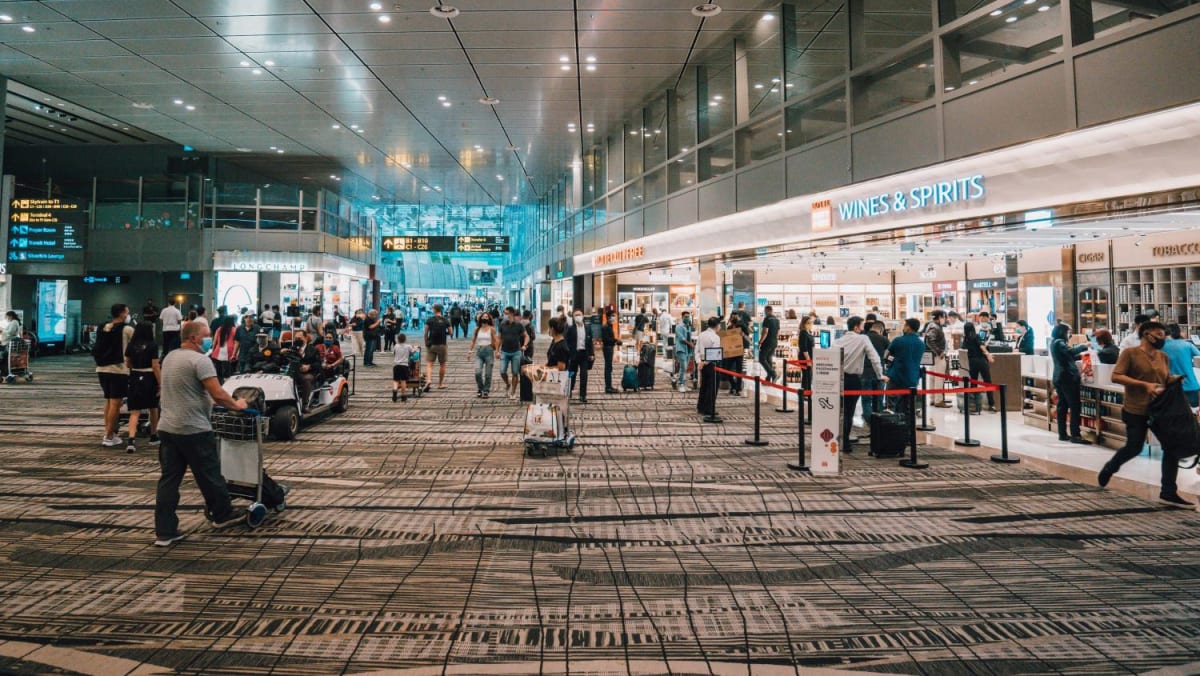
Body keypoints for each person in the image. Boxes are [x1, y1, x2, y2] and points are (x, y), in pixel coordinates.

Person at [154, 321, 287, 546]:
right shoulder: (200, 360)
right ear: (195, 338)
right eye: (207, 336)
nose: (210, 341)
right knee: (210, 474)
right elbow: (218, 395)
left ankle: (164, 531)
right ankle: (223, 513)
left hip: (167, 427)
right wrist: (239, 405)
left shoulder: (170, 357)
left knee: (169, 481)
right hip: (193, 429)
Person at [1100, 321, 1192, 507]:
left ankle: (1168, 491)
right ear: (1146, 334)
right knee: (1134, 446)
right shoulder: (1130, 354)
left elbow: (1164, 378)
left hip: (1160, 410)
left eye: (1163, 334)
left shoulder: (1162, 356)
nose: (1162, 337)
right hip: (1136, 409)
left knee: (1171, 448)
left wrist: (1174, 380)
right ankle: (1111, 467)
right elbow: (1116, 376)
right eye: (1159, 333)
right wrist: (1144, 385)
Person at [834, 317, 886, 452]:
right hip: (853, 380)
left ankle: (836, 439)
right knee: (849, 411)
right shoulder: (863, 339)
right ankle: (845, 441)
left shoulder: (838, 341)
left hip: (837, 379)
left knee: (839, 410)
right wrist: (880, 375)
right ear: (857, 327)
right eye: (862, 326)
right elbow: (875, 358)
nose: (863, 329)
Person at [96, 304, 135, 448]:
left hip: (101, 368)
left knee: (108, 400)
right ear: (122, 314)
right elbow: (137, 345)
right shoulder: (127, 329)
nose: (128, 315)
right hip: (118, 370)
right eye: (127, 312)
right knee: (116, 403)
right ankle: (109, 435)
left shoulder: (103, 327)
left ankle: (109, 432)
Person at [124, 321, 161, 454]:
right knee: (153, 408)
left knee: (135, 411)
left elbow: (127, 363)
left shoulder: (131, 345)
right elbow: (156, 366)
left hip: (134, 376)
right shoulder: (153, 345)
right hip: (149, 377)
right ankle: (153, 435)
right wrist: (161, 384)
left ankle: (131, 440)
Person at [1049, 323, 1090, 444]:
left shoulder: (1054, 343)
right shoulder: (1059, 342)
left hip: (1059, 377)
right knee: (1074, 406)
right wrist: (1084, 346)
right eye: (1068, 332)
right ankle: (1075, 435)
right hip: (1067, 377)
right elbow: (1070, 352)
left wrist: (1082, 356)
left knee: (1062, 406)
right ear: (1063, 332)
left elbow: (1069, 356)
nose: (1069, 334)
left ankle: (1062, 433)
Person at [885, 318, 925, 416]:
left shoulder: (898, 340)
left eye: (904, 325)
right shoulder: (921, 344)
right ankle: (908, 428)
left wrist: (891, 361)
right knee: (908, 406)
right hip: (912, 378)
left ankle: (893, 427)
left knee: (891, 406)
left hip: (896, 377)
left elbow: (887, 356)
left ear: (908, 327)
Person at [961, 322, 997, 413]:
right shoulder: (976, 336)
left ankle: (974, 405)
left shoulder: (966, 339)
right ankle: (991, 405)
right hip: (981, 361)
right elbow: (981, 347)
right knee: (987, 382)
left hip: (972, 362)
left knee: (974, 382)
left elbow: (963, 347)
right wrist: (988, 355)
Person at [1162, 323, 1200, 407]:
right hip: (1191, 386)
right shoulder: (1187, 344)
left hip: (1170, 389)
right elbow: (1198, 357)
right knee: (1193, 416)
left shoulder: (1160, 347)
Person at [862, 320, 890, 426]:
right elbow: (889, 355)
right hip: (879, 373)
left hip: (864, 372)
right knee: (878, 399)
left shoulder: (863, 338)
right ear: (881, 330)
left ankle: (869, 422)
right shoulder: (884, 339)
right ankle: (877, 423)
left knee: (866, 400)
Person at [498, 307, 528, 399]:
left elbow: (526, 336)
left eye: (506, 313)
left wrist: (525, 345)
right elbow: (499, 338)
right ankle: (507, 383)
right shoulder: (502, 324)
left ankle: (513, 392)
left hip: (516, 352)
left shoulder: (519, 325)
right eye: (504, 313)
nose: (504, 315)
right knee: (502, 371)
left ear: (511, 314)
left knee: (515, 372)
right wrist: (496, 350)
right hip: (504, 351)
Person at [695, 317, 722, 417]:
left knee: (704, 386)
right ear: (717, 326)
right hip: (712, 364)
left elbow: (696, 350)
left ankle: (701, 407)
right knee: (712, 387)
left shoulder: (701, 335)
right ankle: (709, 409)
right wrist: (706, 362)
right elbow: (714, 354)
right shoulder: (715, 337)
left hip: (702, 364)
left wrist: (699, 362)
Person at [924, 309, 951, 408]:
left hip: (932, 356)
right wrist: (939, 352)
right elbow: (930, 341)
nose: (945, 319)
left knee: (933, 378)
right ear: (940, 317)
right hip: (937, 356)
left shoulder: (930, 325)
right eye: (944, 317)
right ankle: (938, 400)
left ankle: (933, 398)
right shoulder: (935, 327)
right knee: (939, 378)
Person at [566, 309, 594, 403]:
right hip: (574, 354)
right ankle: (568, 392)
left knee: (584, 376)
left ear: (582, 316)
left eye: (579, 315)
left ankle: (583, 395)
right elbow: (567, 342)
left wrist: (591, 354)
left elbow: (590, 342)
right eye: (576, 315)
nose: (578, 316)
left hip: (584, 354)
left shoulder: (587, 328)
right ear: (573, 318)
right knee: (572, 375)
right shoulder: (570, 329)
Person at [469, 313, 499, 398]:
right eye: (483, 316)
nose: (485, 318)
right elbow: (473, 340)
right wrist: (470, 351)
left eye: (486, 317)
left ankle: (486, 390)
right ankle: (480, 388)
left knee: (488, 374)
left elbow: (496, 340)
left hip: (489, 351)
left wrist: (497, 351)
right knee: (477, 372)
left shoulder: (492, 329)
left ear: (489, 319)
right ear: (480, 318)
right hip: (479, 351)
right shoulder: (477, 329)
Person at [423, 304, 451, 391]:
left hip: (432, 344)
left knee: (429, 364)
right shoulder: (446, 320)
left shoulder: (430, 320)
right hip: (442, 344)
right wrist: (444, 333)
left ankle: (429, 380)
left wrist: (426, 342)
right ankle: (441, 384)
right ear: (441, 310)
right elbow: (451, 332)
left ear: (434, 310)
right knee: (442, 364)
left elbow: (425, 333)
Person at [208, 315, 238, 383]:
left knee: (218, 370)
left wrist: (213, 351)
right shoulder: (234, 329)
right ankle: (227, 383)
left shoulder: (219, 329)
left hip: (219, 351)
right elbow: (236, 342)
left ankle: (220, 383)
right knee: (228, 371)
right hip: (230, 351)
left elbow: (215, 341)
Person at [758, 305, 780, 383]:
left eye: (765, 311)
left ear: (767, 311)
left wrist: (760, 342)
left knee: (761, 358)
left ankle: (773, 374)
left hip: (767, 342)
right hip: (774, 342)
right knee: (768, 359)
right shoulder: (777, 319)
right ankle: (768, 379)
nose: (764, 313)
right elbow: (777, 332)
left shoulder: (767, 319)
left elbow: (765, 332)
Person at [391, 333, 415, 402]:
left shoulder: (396, 346)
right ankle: (403, 396)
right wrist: (414, 349)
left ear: (398, 339)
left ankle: (394, 393)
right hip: (404, 366)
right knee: (403, 381)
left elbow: (394, 353)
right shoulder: (408, 346)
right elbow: (412, 352)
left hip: (396, 365)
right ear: (405, 339)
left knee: (396, 380)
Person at [674, 311, 694, 392]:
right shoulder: (679, 327)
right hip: (681, 349)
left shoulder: (688, 327)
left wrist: (691, 344)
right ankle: (681, 384)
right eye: (685, 317)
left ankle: (683, 383)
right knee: (684, 367)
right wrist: (690, 344)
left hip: (688, 350)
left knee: (685, 368)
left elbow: (689, 337)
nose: (687, 318)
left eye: (688, 317)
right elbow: (682, 339)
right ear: (682, 317)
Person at [601, 309, 619, 394]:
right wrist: (615, 341)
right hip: (607, 348)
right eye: (613, 316)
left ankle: (609, 386)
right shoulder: (606, 327)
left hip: (609, 348)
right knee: (608, 367)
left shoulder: (609, 326)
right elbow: (606, 339)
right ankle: (608, 387)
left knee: (609, 367)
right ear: (608, 317)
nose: (614, 318)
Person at [798, 315, 815, 395]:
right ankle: (805, 392)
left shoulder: (809, 332)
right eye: (808, 323)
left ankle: (807, 391)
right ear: (804, 323)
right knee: (806, 375)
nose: (810, 324)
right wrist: (808, 360)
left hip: (810, 357)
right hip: (804, 358)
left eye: (811, 322)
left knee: (809, 375)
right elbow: (804, 348)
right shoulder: (803, 333)